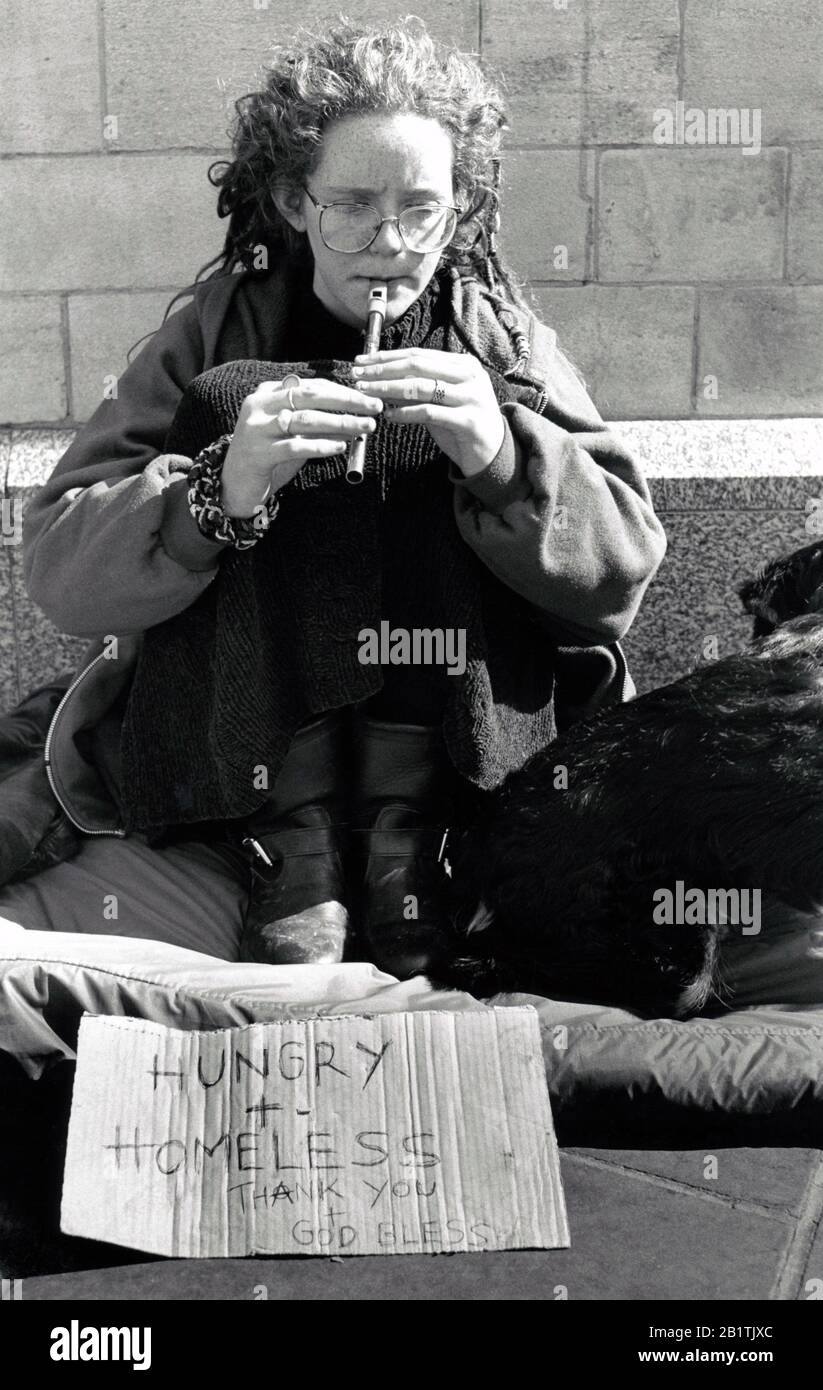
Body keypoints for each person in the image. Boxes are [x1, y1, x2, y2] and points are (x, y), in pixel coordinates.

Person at [6, 16, 666, 979]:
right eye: (352, 205)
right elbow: (64, 576)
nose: (389, 245)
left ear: (462, 207)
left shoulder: (501, 338)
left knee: (457, 415)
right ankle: (296, 840)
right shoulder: (213, 327)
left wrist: (499, 458)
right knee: (234, 405)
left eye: (420, 210)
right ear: (293, 201)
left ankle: (408, 839)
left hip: (455, 748)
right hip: (250, 752)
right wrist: (217, 493)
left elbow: (616, 583)